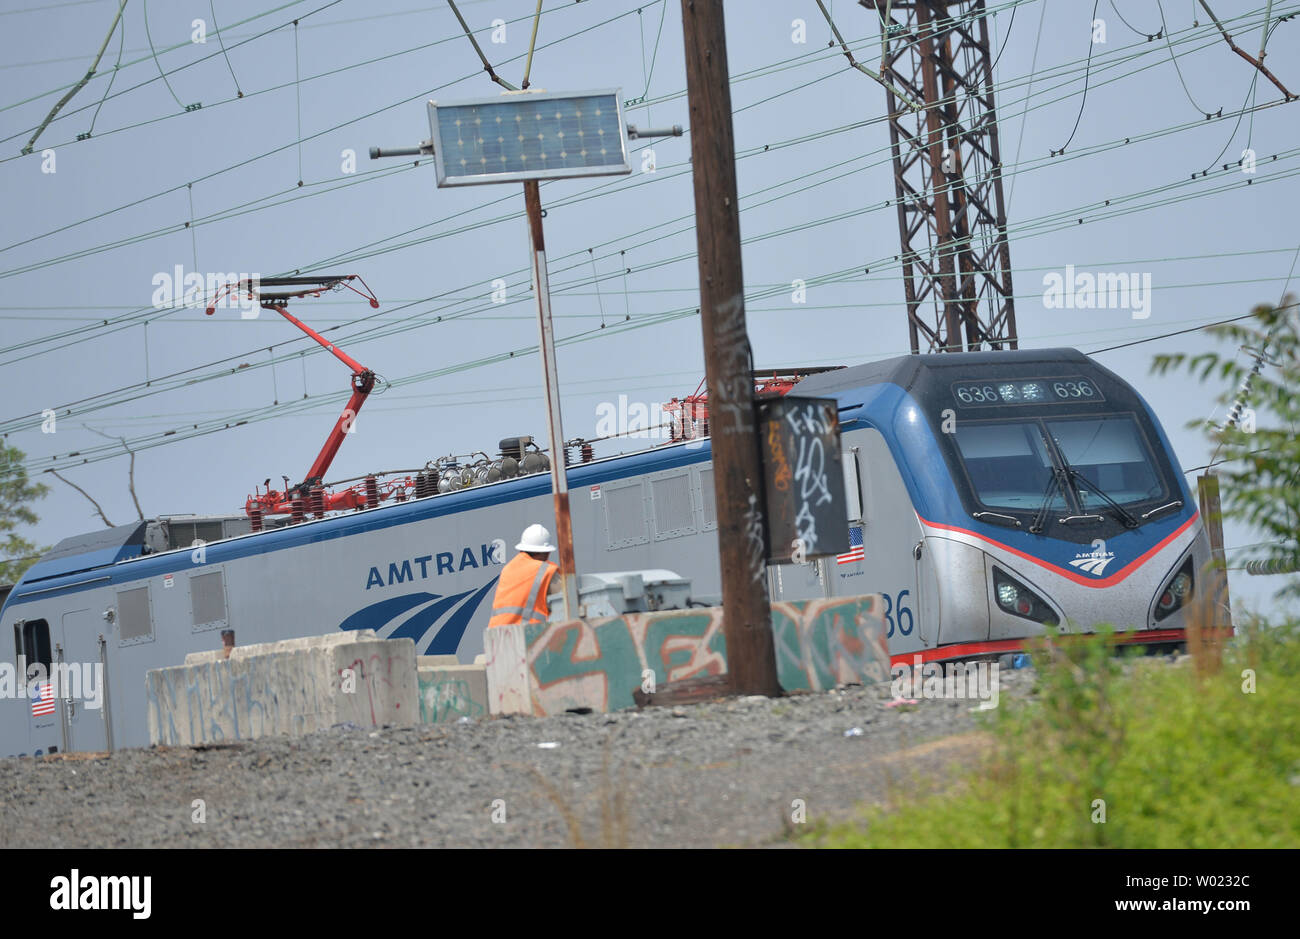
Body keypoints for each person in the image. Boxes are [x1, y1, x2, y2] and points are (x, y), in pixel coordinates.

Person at [488, 523, 560, 628]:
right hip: (527, 637)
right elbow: (568, 603)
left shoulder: (508, 569)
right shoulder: (546, 570)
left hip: (496, 638)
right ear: (545, 552)